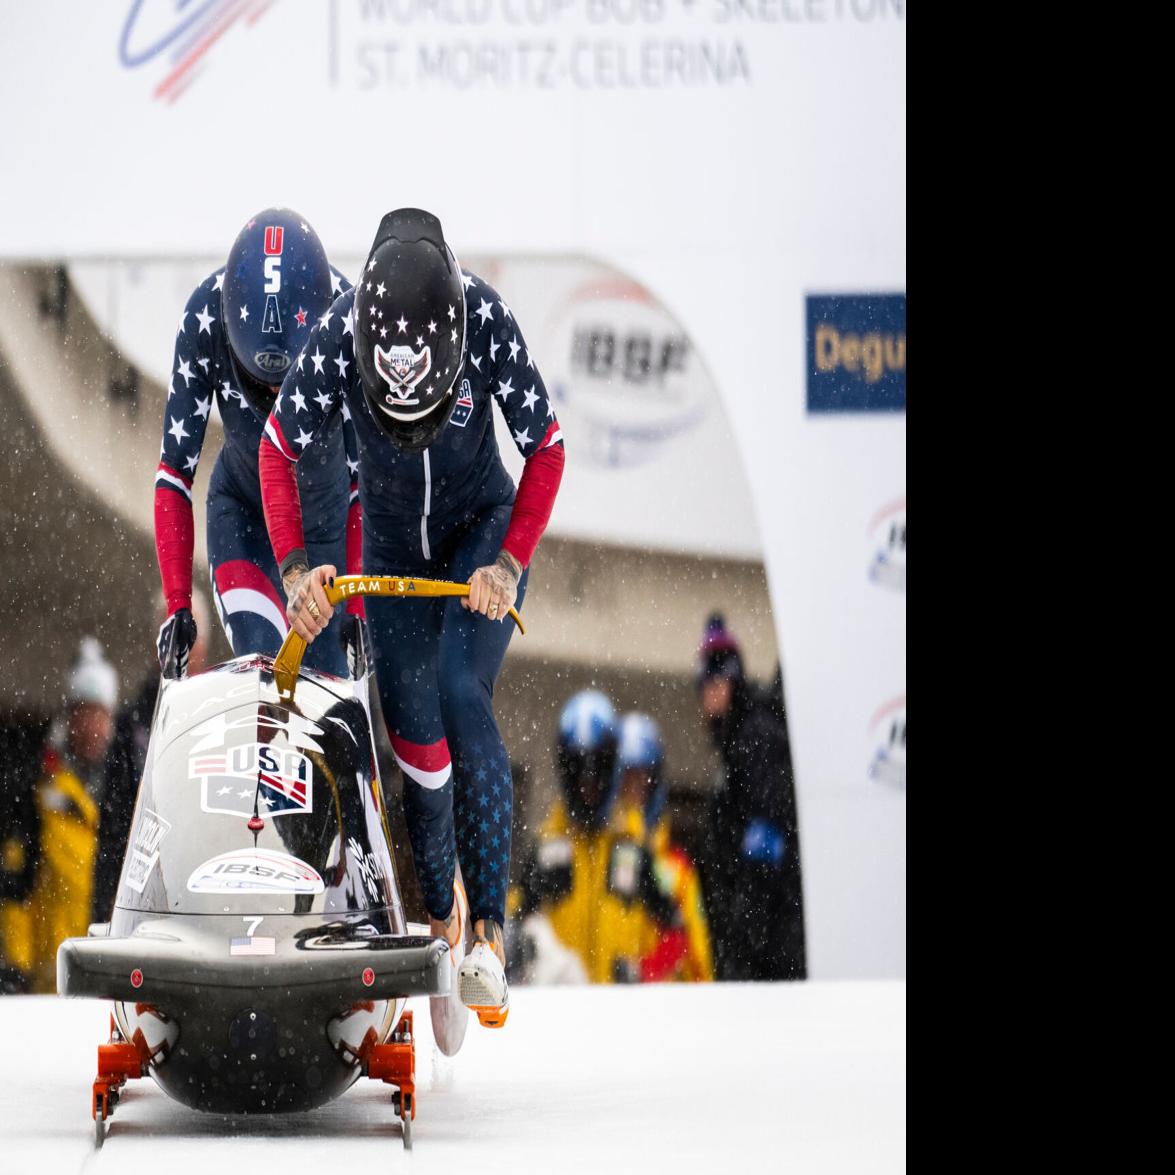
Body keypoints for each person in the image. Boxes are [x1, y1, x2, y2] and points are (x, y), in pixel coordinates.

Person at [258, 209, 566, 1040]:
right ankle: (442, 916)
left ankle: (491, 937)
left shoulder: (488, 317)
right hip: (393, 552)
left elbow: (547, 446)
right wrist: (293, 571)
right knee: (415, 749)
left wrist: (506, 563)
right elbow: (277, 449)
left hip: (478, 537)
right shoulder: (334, 335)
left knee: (464, 690)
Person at [154, 208, 361, 681]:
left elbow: (362, 484)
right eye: (258, 380)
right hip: (245, 519)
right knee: (269, 676)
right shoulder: (205, 315)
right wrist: (178, 605)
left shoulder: (348, 326)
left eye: (287, 383)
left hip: (327, 543)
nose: (273, 395)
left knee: (324, 704)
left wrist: (359, 612)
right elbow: (174, 473)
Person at [517, 691, 672, 984]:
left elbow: (676, 935)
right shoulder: (546, 850)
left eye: (597, 768)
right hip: (562, 1012)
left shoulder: (636, 847)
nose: (587, 784)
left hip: (623, 1015)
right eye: (577, 769)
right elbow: (515, 925)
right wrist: (541, 958)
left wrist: (644, 972)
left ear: (612, 764)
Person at [0, 639, 117, 993]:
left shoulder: (118, 788)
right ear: (71, 717)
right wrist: (17, 964)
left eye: (100, 714)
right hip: (44, 977)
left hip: (97, 973)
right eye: (85, 713)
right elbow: (16, 885)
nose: (93, 726)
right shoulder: (40, 790)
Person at [696, 614, 806, 980]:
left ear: (733, 682)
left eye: (717, 682)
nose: (710, 694)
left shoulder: (754, 736)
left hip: (774, 939)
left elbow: (766, 837)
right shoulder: (739, 738)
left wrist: (746, 938)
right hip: (764, 930)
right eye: (705, 685)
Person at [91, 592, 211, 925]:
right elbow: (113, 828)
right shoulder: (132, 724)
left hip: (206, 883)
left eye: (188, 637)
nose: (179, 648)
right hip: (146, 886)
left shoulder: (222, 713)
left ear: (202, 645)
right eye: (169, 637)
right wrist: (104, 912)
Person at [613, 712, 713, 982]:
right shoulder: (596, 855)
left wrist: (645, 971)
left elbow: (696, 951)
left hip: (660, 1009)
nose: (633, 791)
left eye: (641, 779)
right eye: (625, 780)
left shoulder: (677, 868)